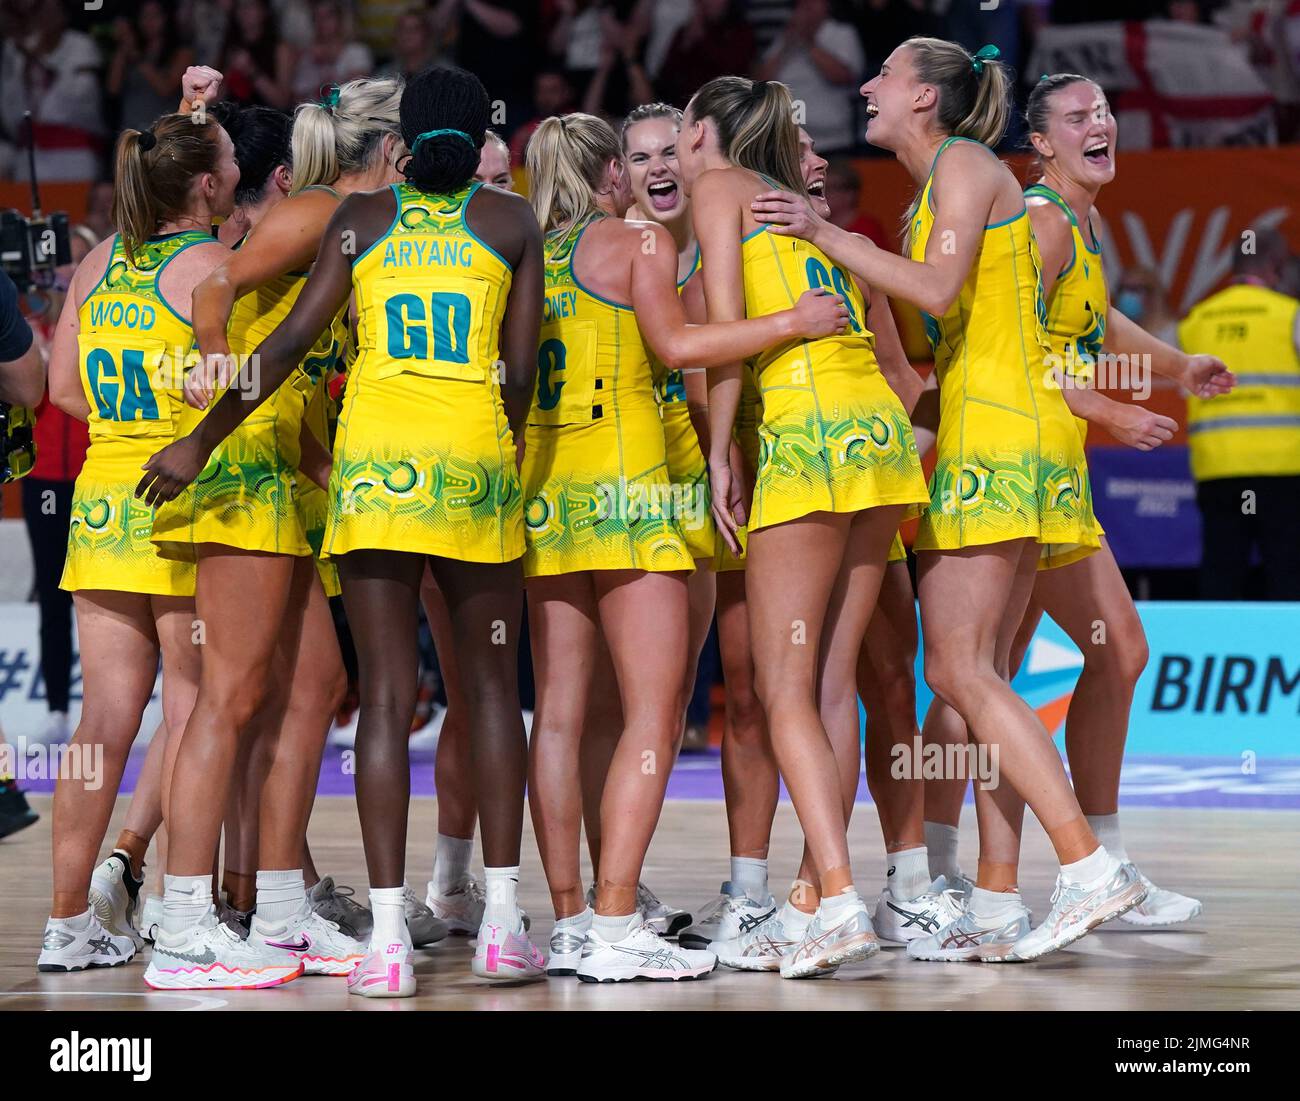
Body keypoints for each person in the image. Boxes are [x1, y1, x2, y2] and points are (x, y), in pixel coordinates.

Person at [139, 65, 550, 994]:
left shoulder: (362, 222)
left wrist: (200, 441)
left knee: (385, 701)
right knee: (489, 691)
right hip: (476, 467)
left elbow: (283, 349)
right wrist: (500, 447)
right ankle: (502, 922)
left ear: (405, 138)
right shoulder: (512, 222)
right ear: (479, 134)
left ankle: (388, 942)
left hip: (372, 474)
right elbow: (519, 372)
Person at [750, 39, 1148, 962]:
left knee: (959, 671)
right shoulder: (941, 184)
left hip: (999, 444)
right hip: (1002, 438)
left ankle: (1090, 866)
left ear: (924, 96)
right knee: (986, 675)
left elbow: (934, 286)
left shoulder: (966, 164)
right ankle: (1001, 900)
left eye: (883, 76)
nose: (866, 87)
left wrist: (825, 237)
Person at [521, 110, 848, 981]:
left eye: (673, 151)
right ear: (614, 173)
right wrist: (794, 326)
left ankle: (574, 915)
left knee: (561, 714)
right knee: (655, 716)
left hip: (550, 496)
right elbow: (676, 345)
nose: (659, 169)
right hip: (641, 498)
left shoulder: (533, 254)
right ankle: (619, 915)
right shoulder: (642, 245)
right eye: (639, 158)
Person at [910, 73, 1230, 959]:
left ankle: (1046, 880)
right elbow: (1025, 355)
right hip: (1017, 452)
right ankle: (969, 884)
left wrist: (1175, 363)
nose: (1103, 124)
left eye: (1105, 111)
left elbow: (1094, 326)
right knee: (995, 673)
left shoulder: (1078, 224)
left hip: (1050, 467)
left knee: (1056, 663)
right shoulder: (1045, 219)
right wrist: (1111, 410)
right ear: (1040, 143)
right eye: (1078, 116)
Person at [673, 77, 929, 979]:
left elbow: (734, 330)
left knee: (782, 688)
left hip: (810, 437)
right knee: (829, 687)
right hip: (876, 442)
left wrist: (716, 452)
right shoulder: (795, 213)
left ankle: (839, 897)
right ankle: (823, 895)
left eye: (685, 135)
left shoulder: (718, 188)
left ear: (708, 134)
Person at [36, 112, 237, 974]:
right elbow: (237, 380)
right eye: (227, 161)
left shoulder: (96, 262)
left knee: (102, 721)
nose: (235, 170)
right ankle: (177, 907)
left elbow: (63, 391)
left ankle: (67, 922)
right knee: (191, 706)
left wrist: (126, 419)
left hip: (103, 498)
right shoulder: (209, 265)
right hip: (177, 498)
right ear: (205, 185)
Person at [1180, 226, 1300, 600]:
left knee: (1221, 573)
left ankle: (1218, 653)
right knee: (1288, 575)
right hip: (1282, 469)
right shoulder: (1291, 315)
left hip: (1218, 469)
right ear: (1277, 265)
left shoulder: (1197, 319)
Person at [754, 0, 864, 154]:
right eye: (802, 4)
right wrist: (787, 45)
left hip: (835, 140)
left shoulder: (841, 33)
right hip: (789, 140)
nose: (807, 6)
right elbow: (760, 83)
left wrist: (807, 43)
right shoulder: (786, 37)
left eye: (813, 2)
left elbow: (843, 77)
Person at [106, 2, 195, 133]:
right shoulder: (132, 50)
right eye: (144, 16)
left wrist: (138, 57)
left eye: (154, 16)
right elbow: (113, 88)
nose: (149, 21)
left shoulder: (182, 52)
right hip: (131, 131)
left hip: (164, 133)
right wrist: (123, 45)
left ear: (166, 17)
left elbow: (166, 88)